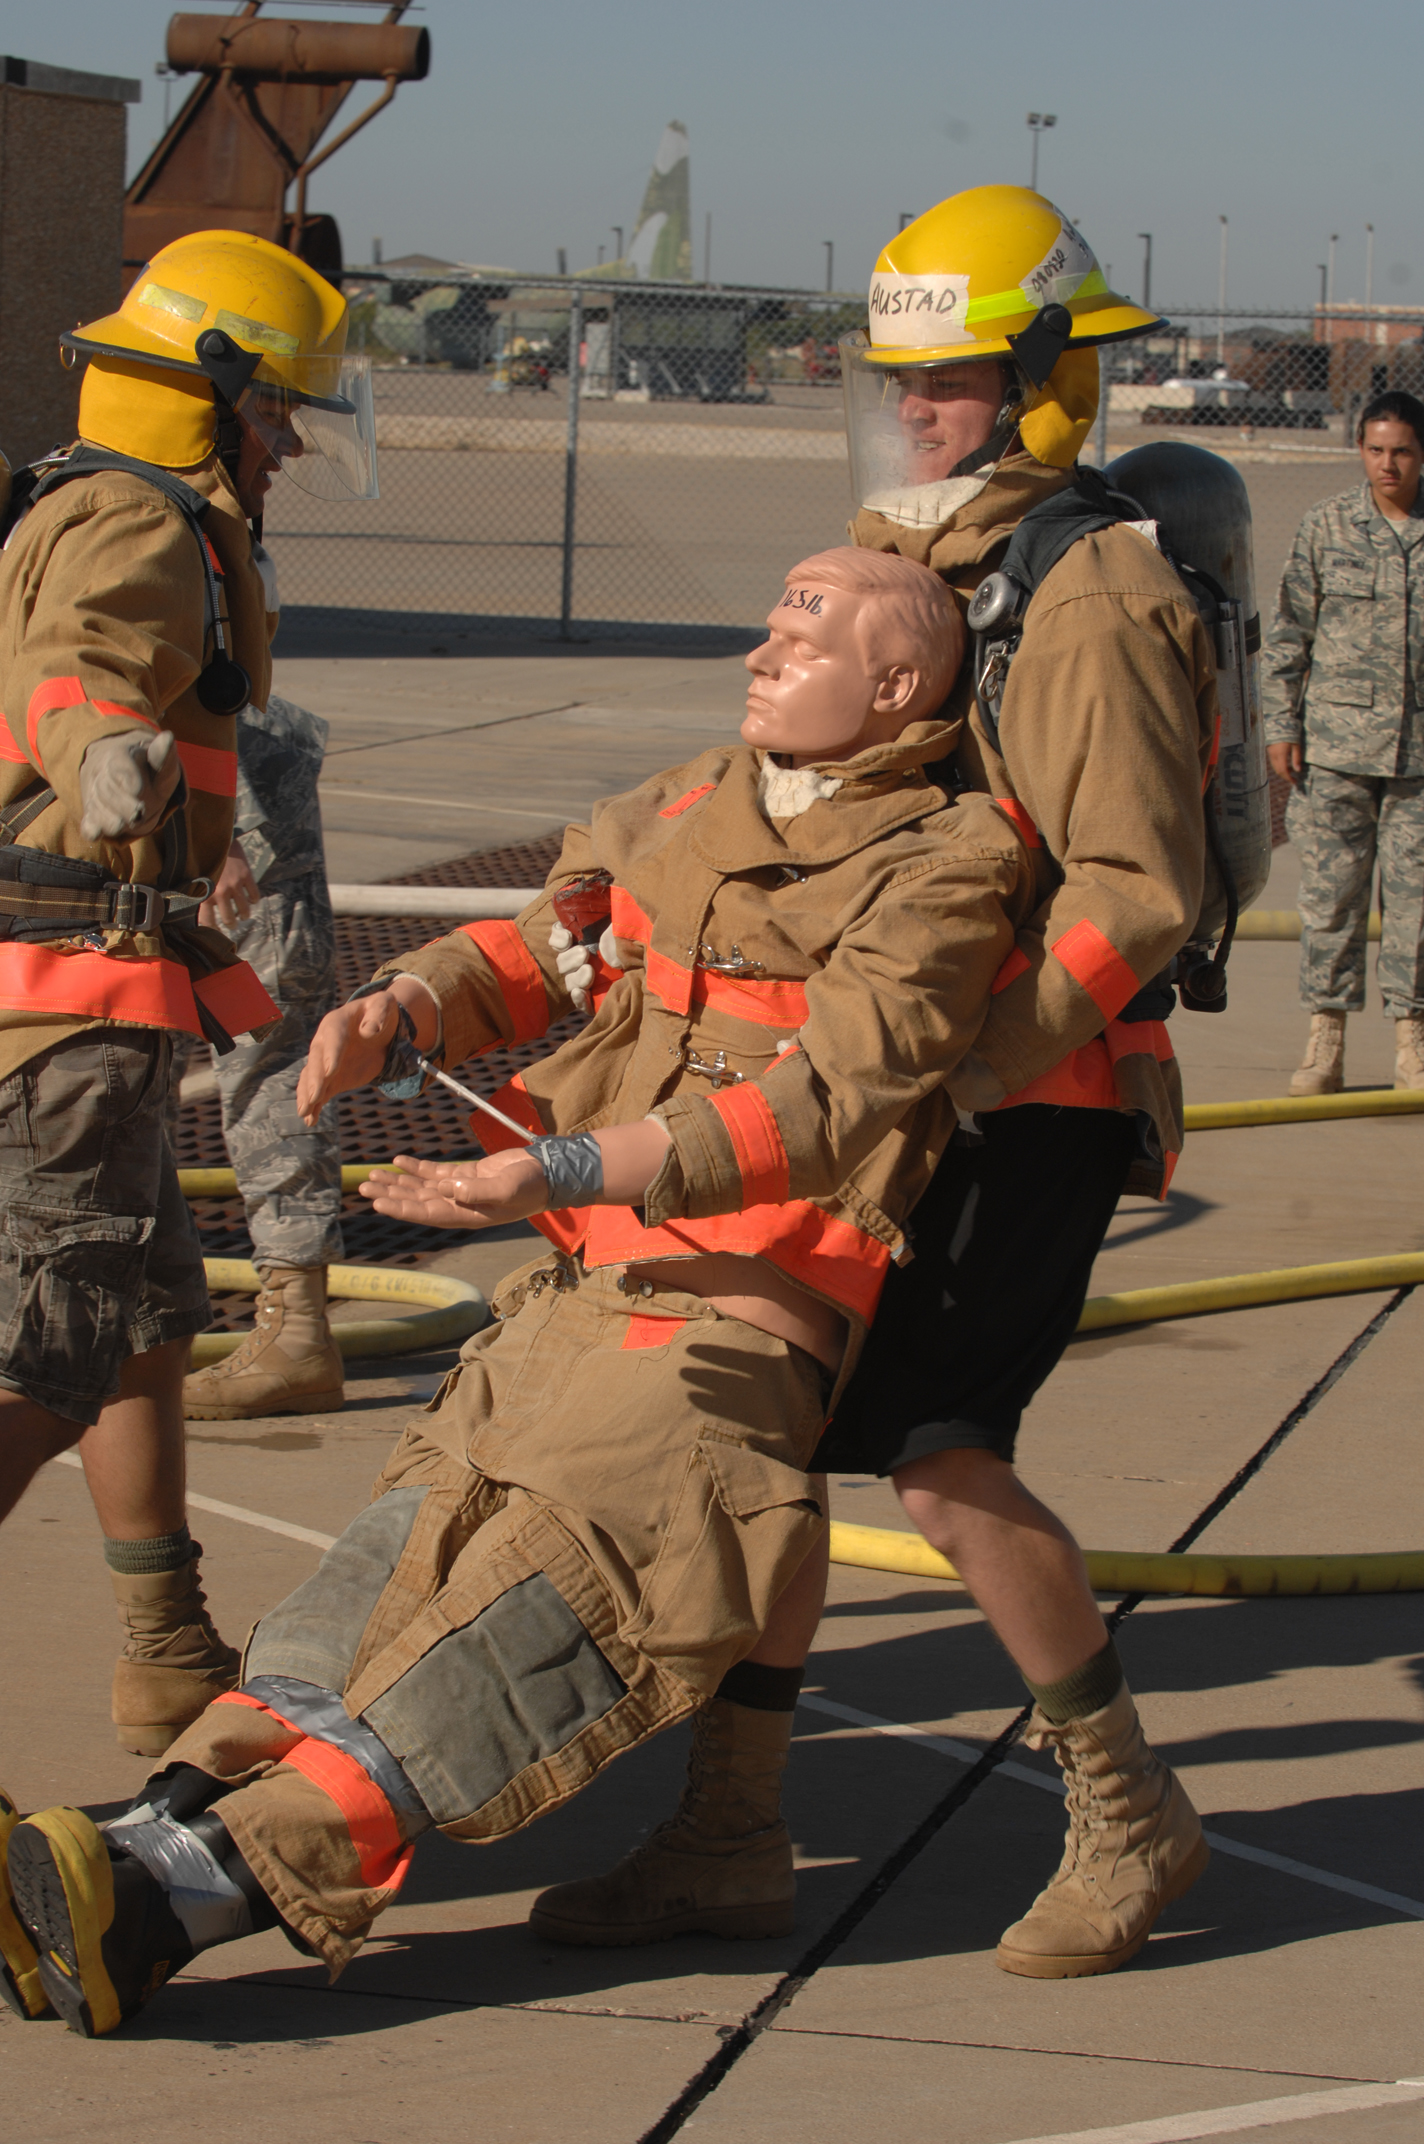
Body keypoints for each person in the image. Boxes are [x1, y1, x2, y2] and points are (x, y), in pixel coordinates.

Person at [0, 546, 1163, 2039]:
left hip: (739, 1319)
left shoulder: (949, 861)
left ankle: (185, 1897)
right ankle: (138, 1844)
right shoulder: (693, 799)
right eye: (769, 612)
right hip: (569, 1305)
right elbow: (552, 945)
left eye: (804, 631)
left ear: (894, 686)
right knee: (371, 1589)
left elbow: (832, 1107)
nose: (763, 645)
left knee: (524, 1633)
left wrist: (556, 1169)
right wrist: (407, 999)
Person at [535, 185, 1217, 1982]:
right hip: (896, 1090)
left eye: (950, 388)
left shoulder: (1090, 586)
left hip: (1018, 1102)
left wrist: (954, 1069)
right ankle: (729, 1832)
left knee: (934, 1452)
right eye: (894, 388)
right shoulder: (941, 567)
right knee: (777, 1447)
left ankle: (1123, 1806)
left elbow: (1132, 888)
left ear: (1041, 380)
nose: (911, 421)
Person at [0, 230, 377, 1761]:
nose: (287, 442)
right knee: (54, 1338)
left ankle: (169, 1648)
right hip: (67, 1011)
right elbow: (71, 660)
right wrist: (103, 751)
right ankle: (169, 1646)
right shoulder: (137, 526)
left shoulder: (113, 499)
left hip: (121, 989)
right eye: (277, 411)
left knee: (145, 1317)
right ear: (208, 394)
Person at [176, 692, 347, 1422]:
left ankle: (297, 1329)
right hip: (163, 793)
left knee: (271, 1067)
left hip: (215, 797)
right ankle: (138, 1327)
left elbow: (152, 667)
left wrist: (211, 830)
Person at [1262, 387, 1424, 1095]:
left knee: (1417, 906)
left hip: (1419, 757)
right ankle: (1324, 1042)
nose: (1388, 464)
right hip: (1334, 749)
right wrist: (1281, 726)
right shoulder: (1327, 527)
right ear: (1360, 450)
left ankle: (1411, 1044)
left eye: (1403, 451)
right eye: (1376, 450)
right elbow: (1289, 633)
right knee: (1331, 901)